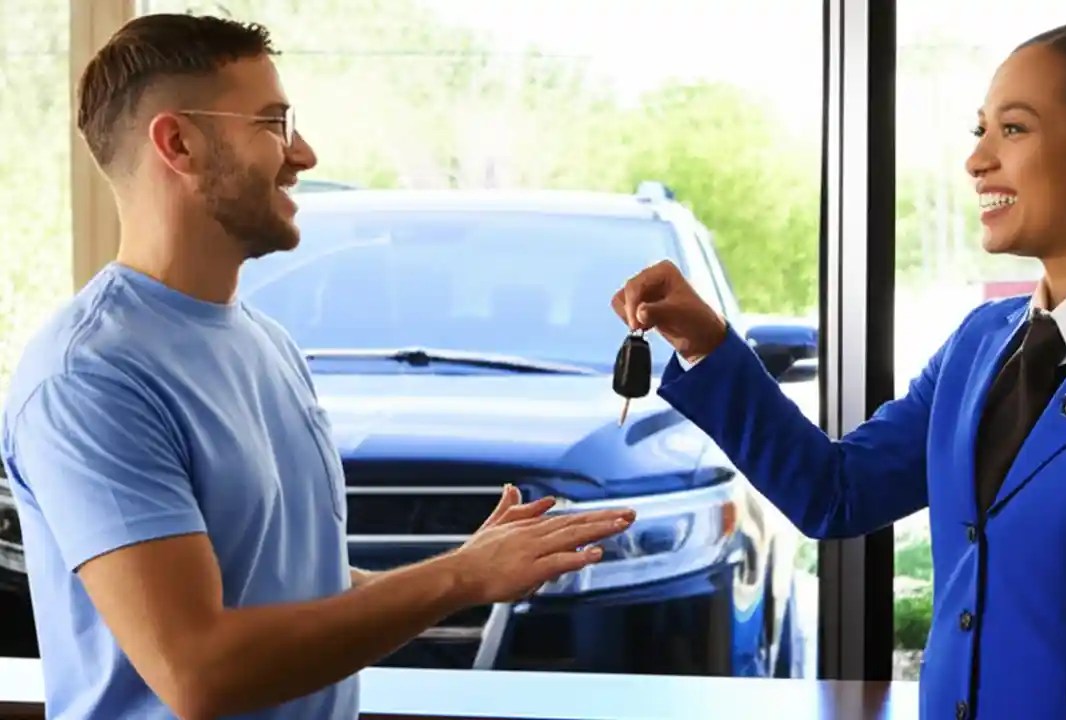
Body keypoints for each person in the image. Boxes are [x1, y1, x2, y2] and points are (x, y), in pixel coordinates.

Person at [615, 17, 1066, 720]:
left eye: (1014, 130)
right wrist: (706, 344)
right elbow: (835, 493)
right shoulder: (979, 344)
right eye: (980, 131)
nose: (977, 161)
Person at [0, 13, 635, 720]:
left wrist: (469, 566)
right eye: (273, 124)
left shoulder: (266, 344)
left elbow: (306, 590)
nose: (304, 153)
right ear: (178, 143)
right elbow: (199, 672)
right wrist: (457, 578)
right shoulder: (90, 378)